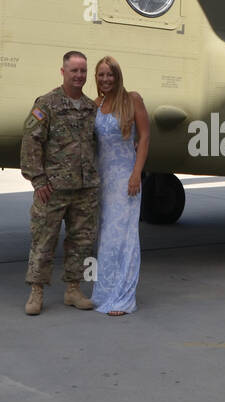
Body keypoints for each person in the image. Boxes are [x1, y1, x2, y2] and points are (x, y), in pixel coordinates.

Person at [20, 51, 100, 315]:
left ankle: (73, 290)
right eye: (74, 70)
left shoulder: (91, 108)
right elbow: (31, 140)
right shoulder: (47, 104)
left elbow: (97, 146)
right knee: (44, 240)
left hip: (84, 189)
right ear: (63, 71)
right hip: (52, 189)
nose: (79, 76)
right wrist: (38, 179)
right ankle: (36, 292)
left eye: (83, 71)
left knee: (82, 241)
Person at [91, 56, 150, 317]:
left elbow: (145, 136)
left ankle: (123, 298)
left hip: (126, 179)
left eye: (110, 75)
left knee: (123, 238)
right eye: (101, 75)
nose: (105, 79)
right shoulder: (96, 104)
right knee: (105, 239)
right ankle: (104, 292)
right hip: (102, 180)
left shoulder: (132, 100)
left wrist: (136, 173)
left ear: (118, 76)